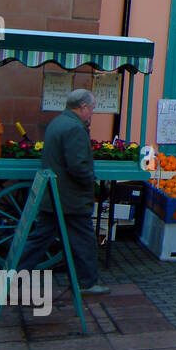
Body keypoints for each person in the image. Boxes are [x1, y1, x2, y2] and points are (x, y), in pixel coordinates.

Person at [16, 89, 108, 295]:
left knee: (39, 240)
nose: (92, 113)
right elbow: (77, 166)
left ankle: (13, 276)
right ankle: (86, 282)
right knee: (83, 241)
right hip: (71, 198)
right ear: (83, 107)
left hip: (55, 195)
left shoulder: (57, 122)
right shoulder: (75, 128)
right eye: (92, 108)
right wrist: (89, 181)